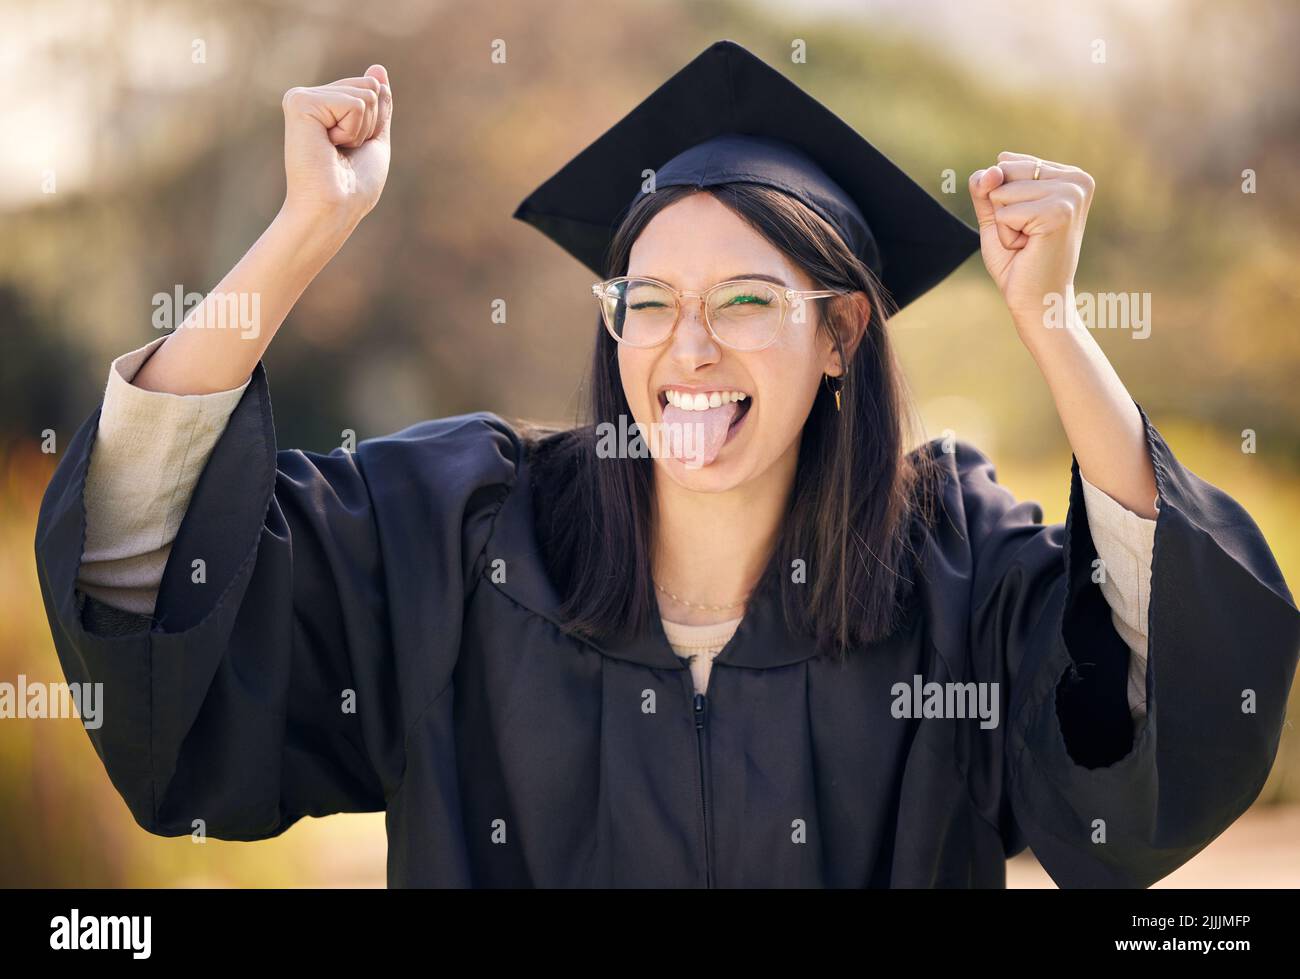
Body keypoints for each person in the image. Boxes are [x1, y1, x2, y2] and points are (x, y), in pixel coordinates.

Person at [35, 41, 1298, 887]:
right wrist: (304, 230)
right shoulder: (464, 535)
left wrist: (1056, 328)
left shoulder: (949, 573)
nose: (685, 347)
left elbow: (1163, 693)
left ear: (841, 335)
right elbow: (150, 562)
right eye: (646, 300)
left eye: (747, 299)